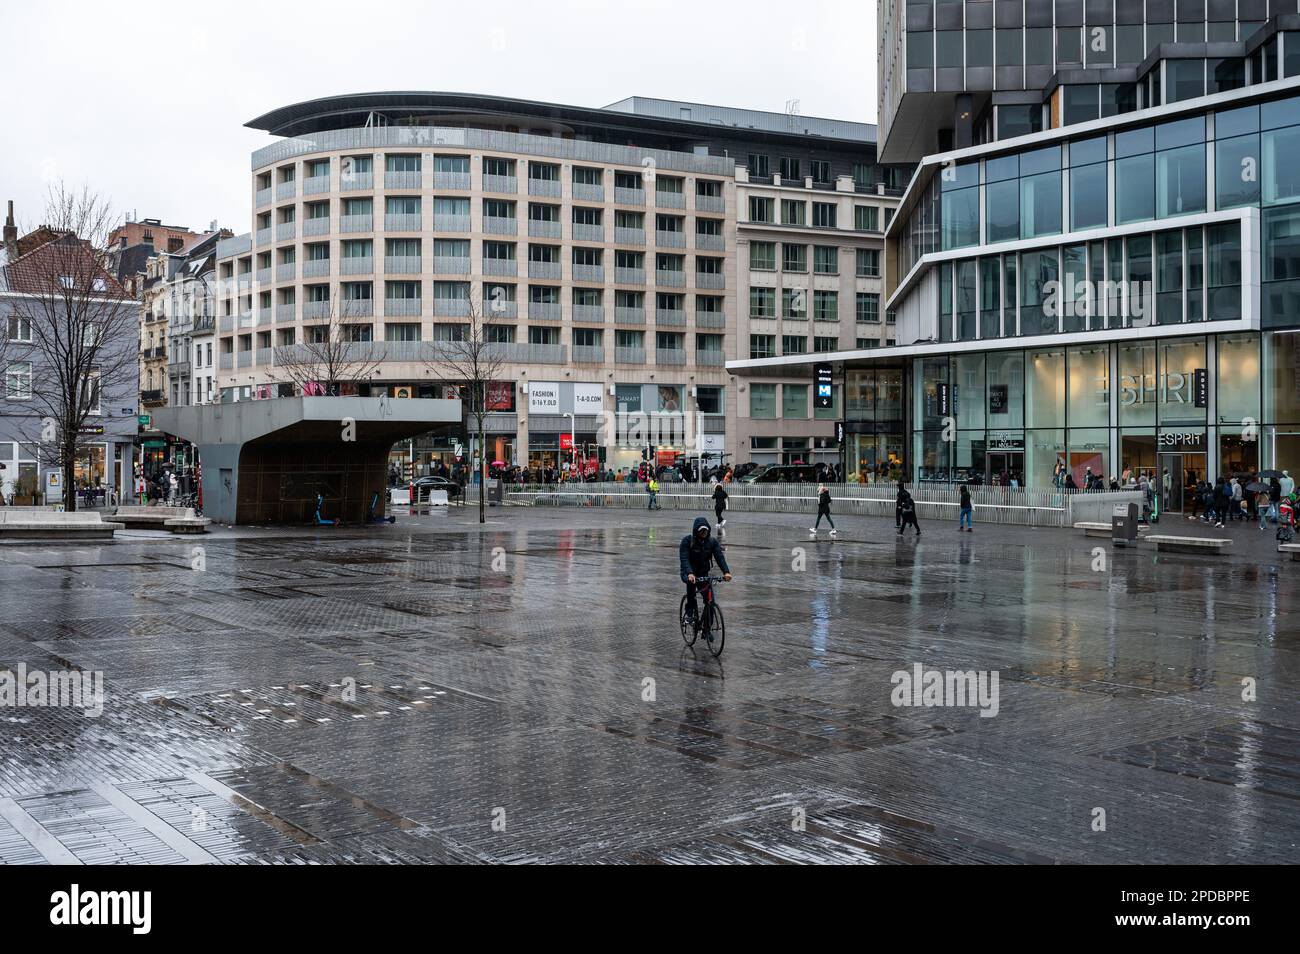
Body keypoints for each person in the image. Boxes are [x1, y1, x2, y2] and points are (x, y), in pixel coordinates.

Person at [680, 516, 732, 626]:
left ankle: (707, 628)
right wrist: (689, 573)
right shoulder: (687, 541)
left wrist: (726, 572)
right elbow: (684, 558)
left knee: (710, 600)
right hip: (689, 572)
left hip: (703, 573)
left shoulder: (712, 542)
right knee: (691, 590)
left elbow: (719, 557)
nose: (704, 532)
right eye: (701, 530)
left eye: (705, 530)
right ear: (696, 531)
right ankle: (689, 614)